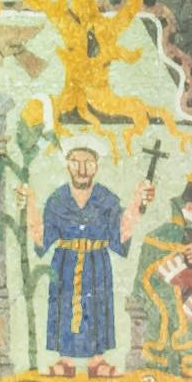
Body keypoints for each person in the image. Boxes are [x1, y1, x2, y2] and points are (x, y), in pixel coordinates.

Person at [34, 141, 130, 367]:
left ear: (96, 166)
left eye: (88, 163)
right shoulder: (57, 199)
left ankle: (98, 358)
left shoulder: (108, 199)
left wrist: (137, 205)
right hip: (65, 262)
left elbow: (119, 238)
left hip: (97, 261)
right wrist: (29, 205)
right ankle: (64, 358)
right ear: (67, 165)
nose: (82, 168)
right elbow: (43, 240)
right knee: (63, 303)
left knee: (98, 304)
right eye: (76, 162)